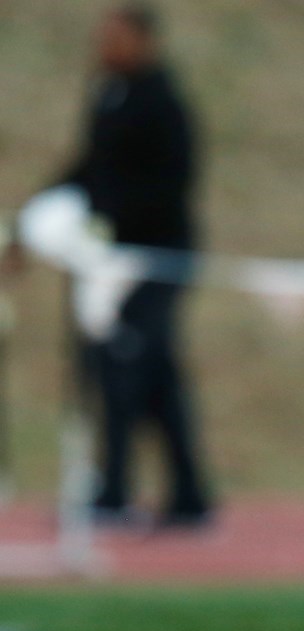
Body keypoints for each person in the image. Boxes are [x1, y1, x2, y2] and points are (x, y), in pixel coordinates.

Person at [55, 3, 213, 527]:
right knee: (152, 374)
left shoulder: (163, 102)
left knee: (127, 365)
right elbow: (89, 165)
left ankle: (117, 490)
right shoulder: (107, 94)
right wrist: (45, 211)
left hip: (155, 257)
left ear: (144, 41)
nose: (106, 47)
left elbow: (170, 184)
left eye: (117, 38)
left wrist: (109, 219)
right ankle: (188, 494)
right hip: (110, 261)